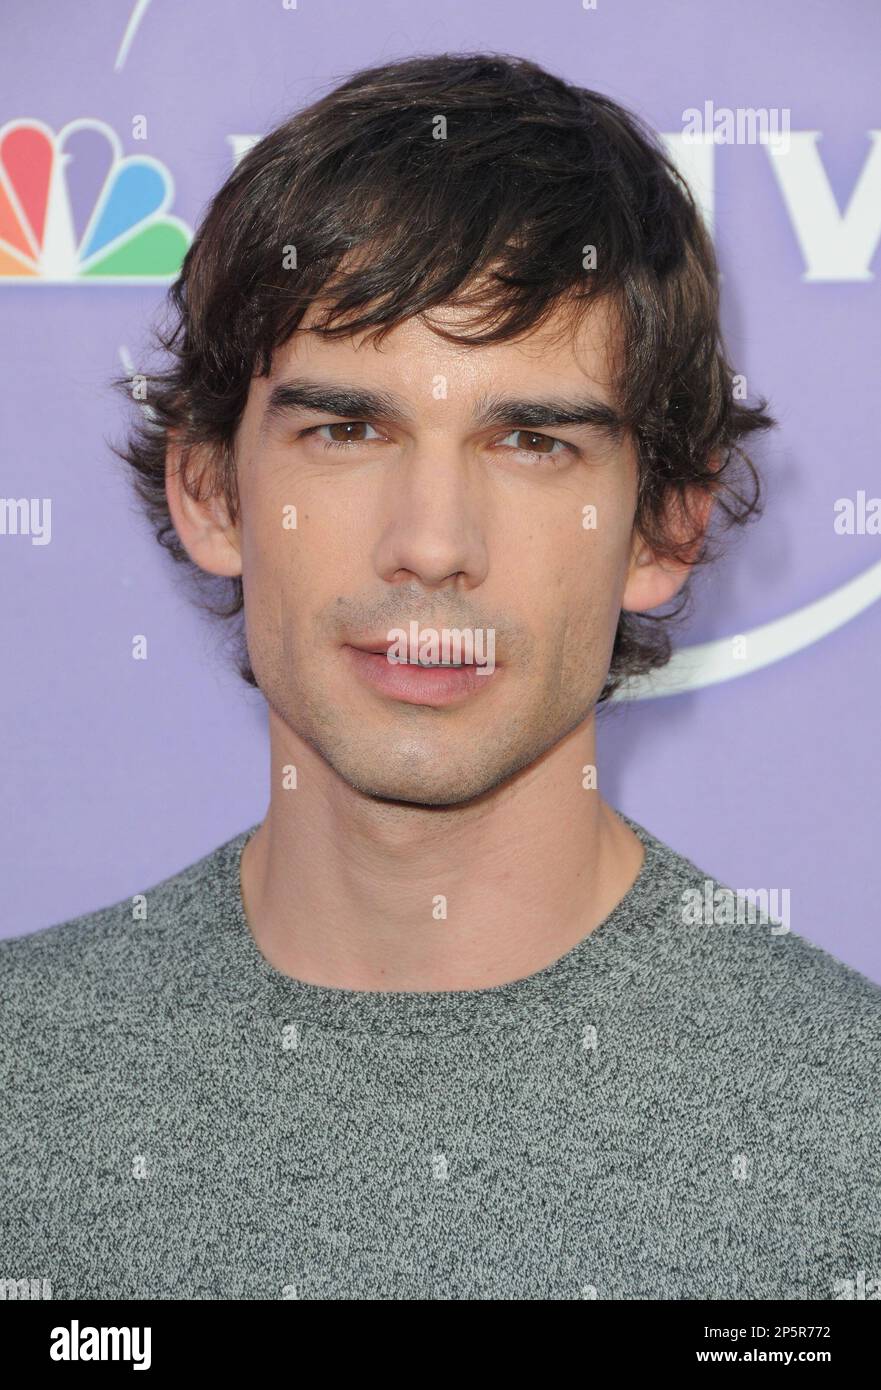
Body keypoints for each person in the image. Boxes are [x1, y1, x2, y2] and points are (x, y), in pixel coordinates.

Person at [2, 52, 878, 1302]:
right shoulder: (21, 1089)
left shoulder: (851, 1148)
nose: (432, 542)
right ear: (210, 492)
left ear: (660, 531)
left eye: (530, 442)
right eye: (346, 430)